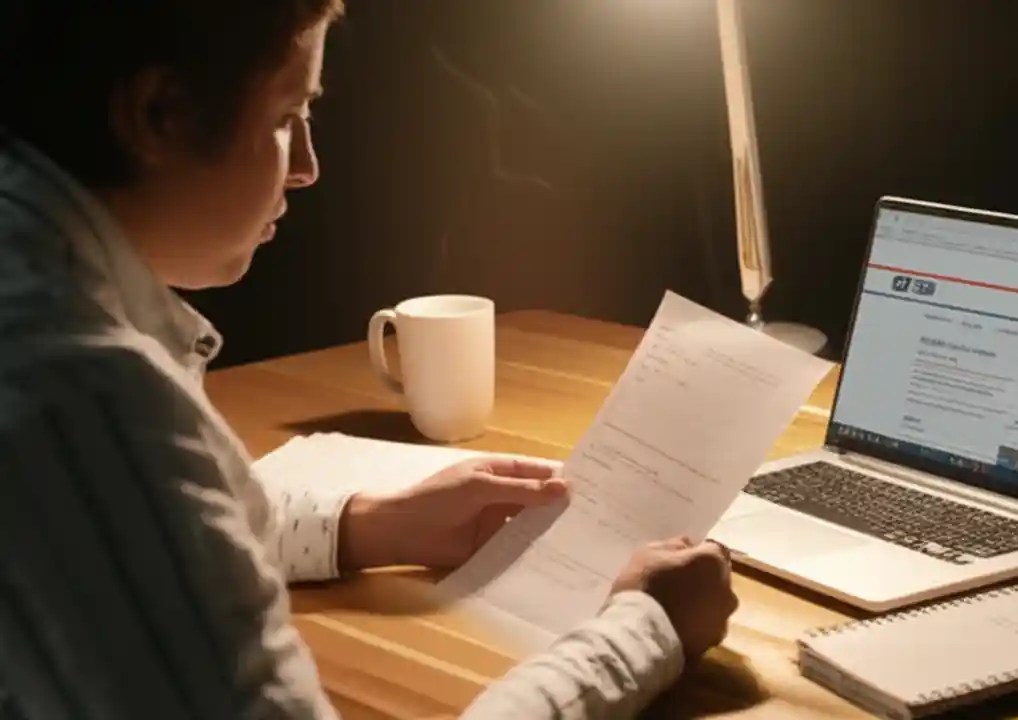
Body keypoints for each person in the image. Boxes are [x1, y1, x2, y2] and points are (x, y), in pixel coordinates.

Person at [0, 2, 738, 718]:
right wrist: (644, 631)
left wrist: (368, 526)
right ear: (160, 115)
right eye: (286, 117)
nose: (307, 167)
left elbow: (120, 546)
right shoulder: (78, 393)